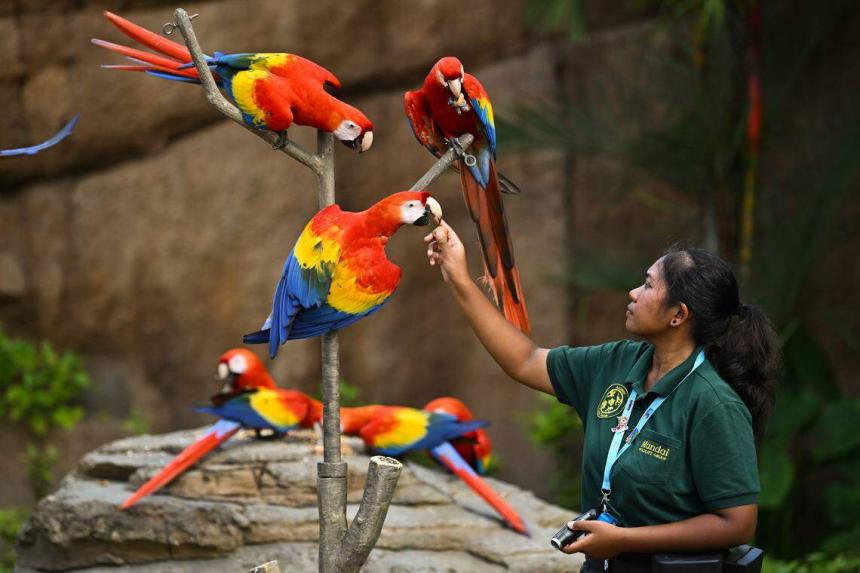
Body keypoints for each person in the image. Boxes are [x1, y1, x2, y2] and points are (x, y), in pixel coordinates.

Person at [424, 221, 779, 572]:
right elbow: (525, 361)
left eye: (648, 285)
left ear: (678, 315)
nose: (633, 293)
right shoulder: (618, 362)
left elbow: (737, 524)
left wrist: (624, 540)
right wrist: (459, 278)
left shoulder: (713, 403)